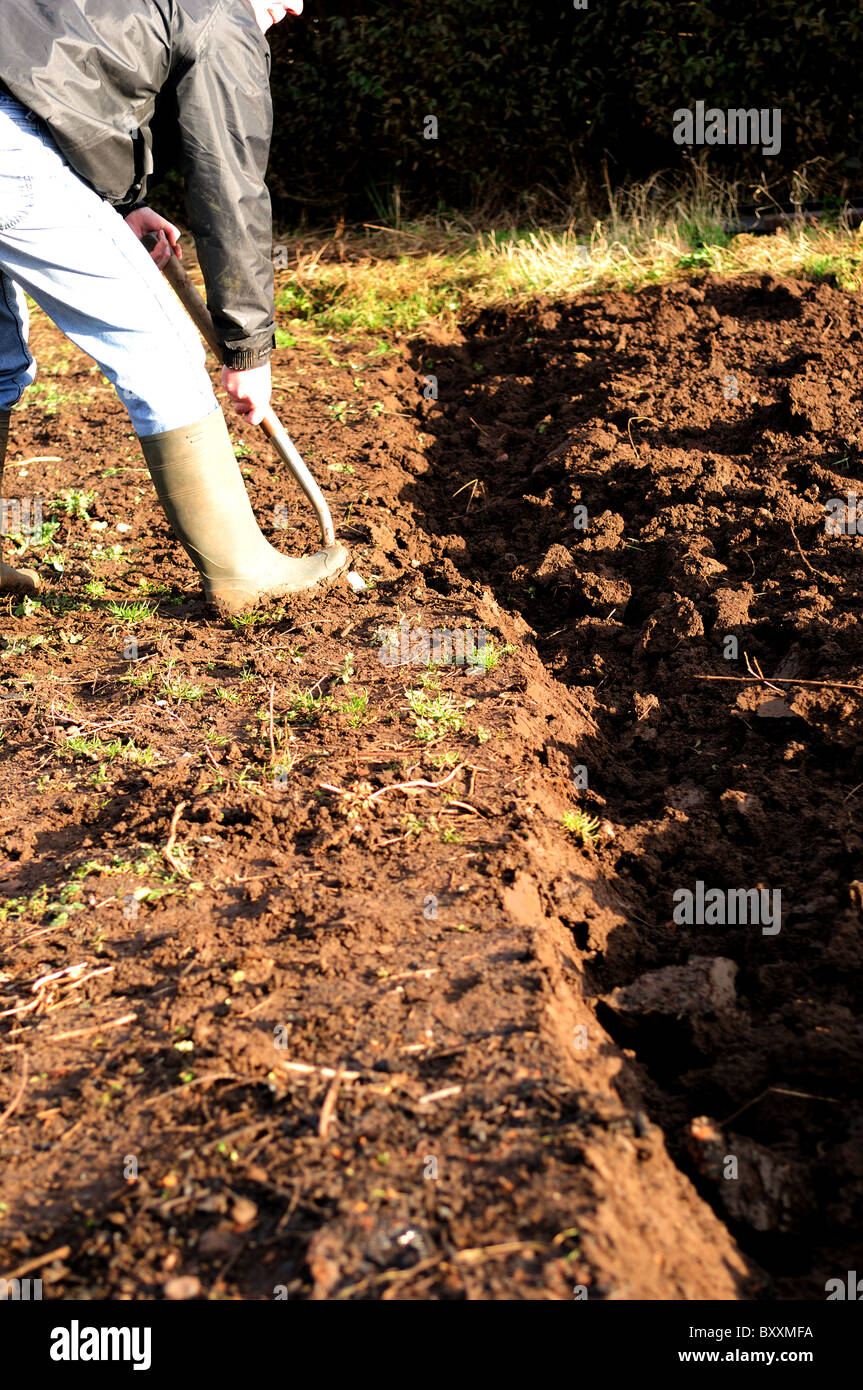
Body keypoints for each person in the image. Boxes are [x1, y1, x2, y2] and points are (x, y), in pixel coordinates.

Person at [0, 0, 347, 614]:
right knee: (164, 351)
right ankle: (242, 569)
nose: (295, 6)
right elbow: (229, 183)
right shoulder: (222, 11)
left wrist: (121, 201)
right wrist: (247, 347)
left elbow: (74, 76)